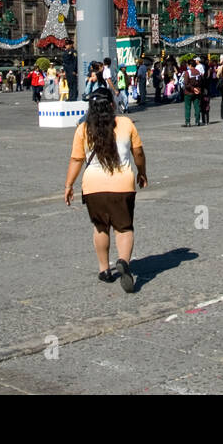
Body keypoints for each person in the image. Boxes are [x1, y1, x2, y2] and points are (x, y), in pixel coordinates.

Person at [63, 86, 147, 292]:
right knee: (124, 228)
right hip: (123, 185)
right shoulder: (126, 124)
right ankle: (124, 262)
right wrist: (142, 172)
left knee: (101, 227)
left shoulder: (83, 129)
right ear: (111, 105)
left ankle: (104, 269)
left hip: (93, 187)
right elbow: (138, 154)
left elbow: (76, 159)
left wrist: (68, 185)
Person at [181, 59, 203, 127]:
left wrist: (193, 89)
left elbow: (186, 83)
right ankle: (197, 121)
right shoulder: (198, 72)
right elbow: (201, 82)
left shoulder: (187, 73)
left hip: (188, 92)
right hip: (197, 92)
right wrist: (197, 89)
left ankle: (188, 122)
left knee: (188, 107)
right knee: (197, 107)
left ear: (190, 65)